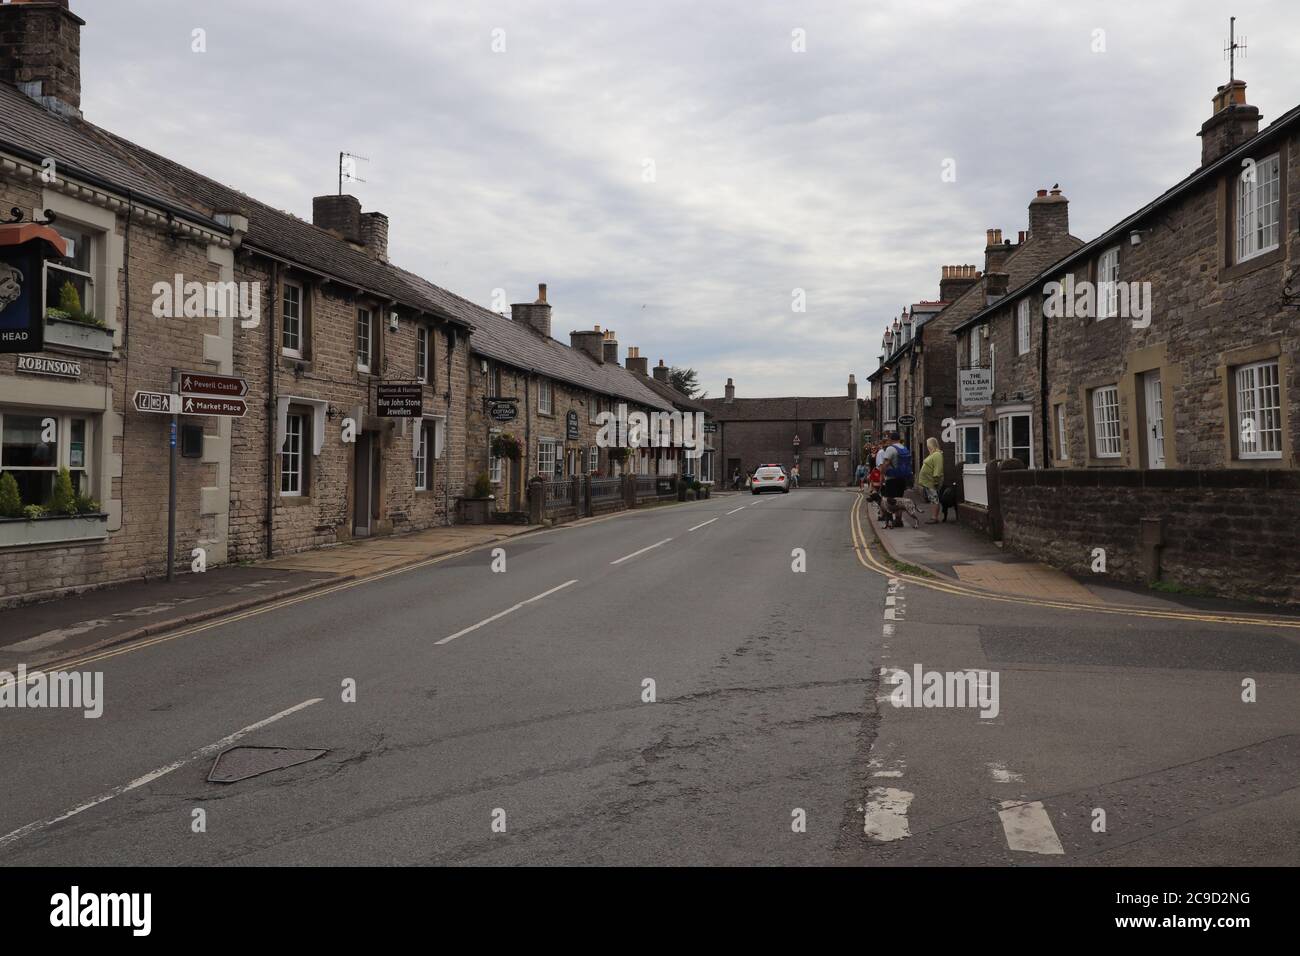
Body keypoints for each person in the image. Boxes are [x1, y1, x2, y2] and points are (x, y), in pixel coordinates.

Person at [918, 436, 944, 524]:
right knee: (932, 499)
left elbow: (938, 468)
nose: (927, 446)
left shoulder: (937, 454)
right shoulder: (933, 454)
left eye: (928, 444)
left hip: (932, 482)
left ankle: (934, 518)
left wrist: (936, 481)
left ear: (931, 444)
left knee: (934, 499)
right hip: (928, 482)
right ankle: (933, 517)